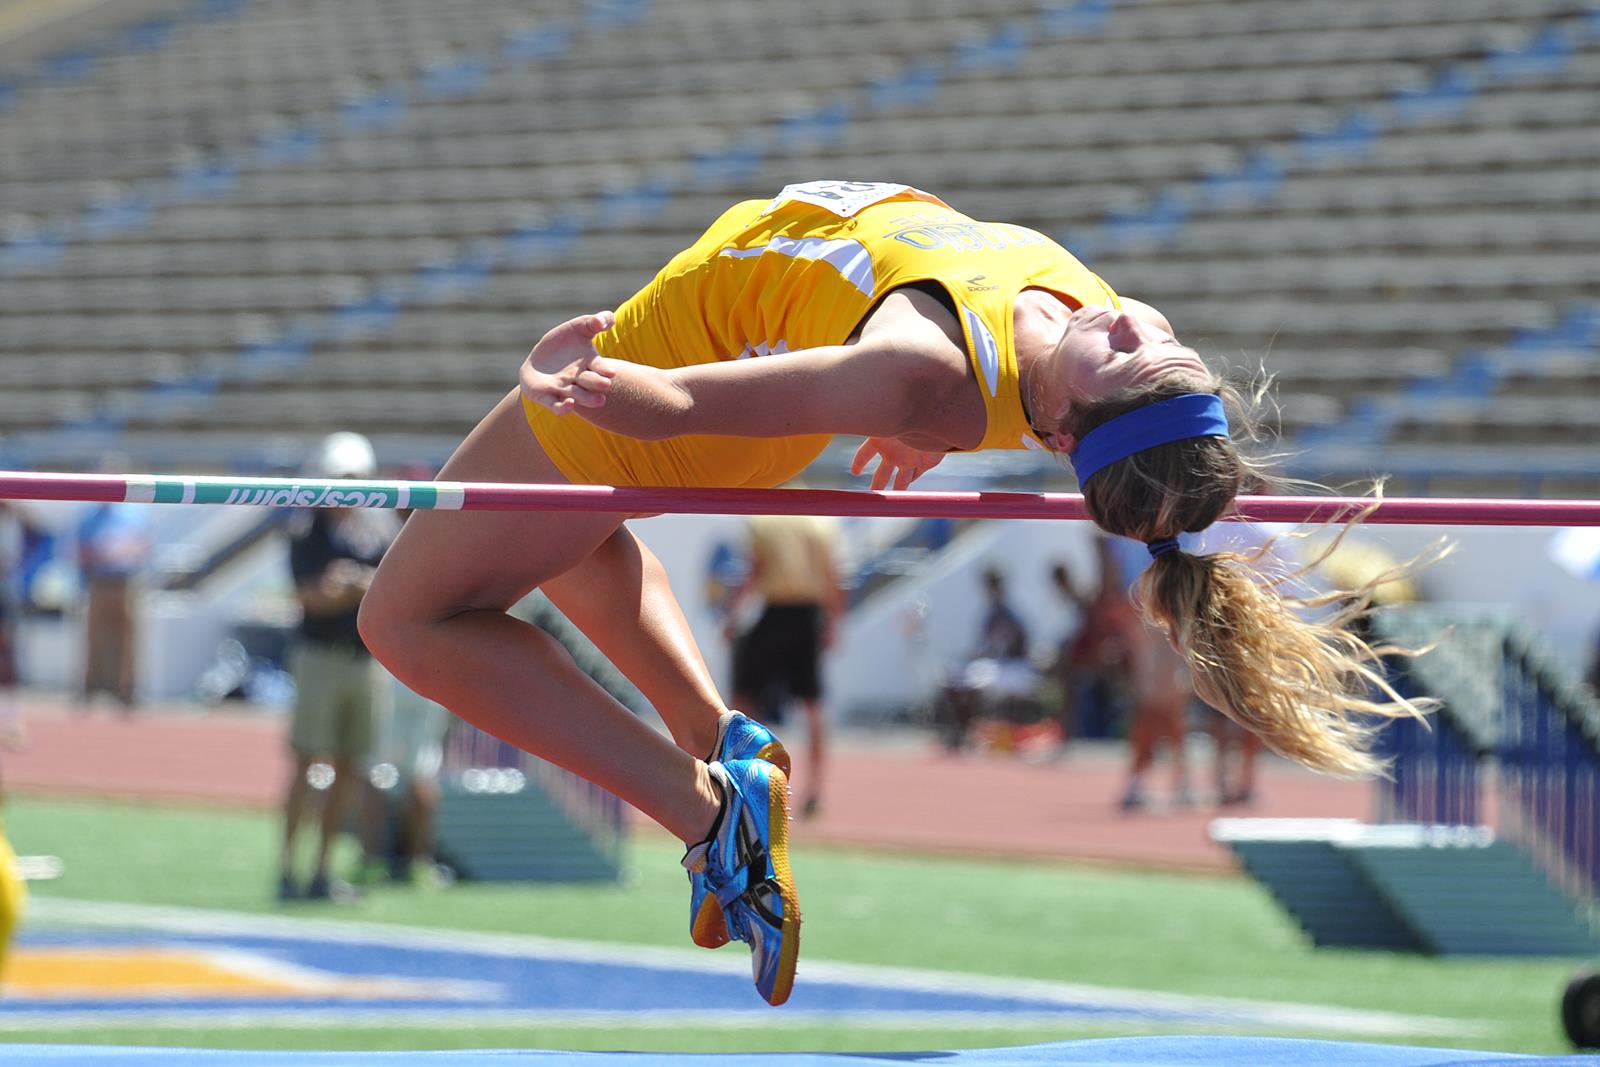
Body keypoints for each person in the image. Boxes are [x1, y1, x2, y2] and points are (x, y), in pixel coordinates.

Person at [358, 180, 1430, 1007]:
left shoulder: (922, 374)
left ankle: (705, 812)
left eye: (1130, 363)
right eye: (1166, 344)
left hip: (689, 360)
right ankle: (721, 739)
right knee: (568, 541)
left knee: (407, 620)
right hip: (761, 344)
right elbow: (977, 377)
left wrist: (587, 386)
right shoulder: (1042, 352)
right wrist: (925, 425)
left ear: (1066, 432)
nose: (1134, 329)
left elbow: (682, 404)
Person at [278, 432, 401, 902]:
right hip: (320, 657)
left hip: (364, 660)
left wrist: (352, 587)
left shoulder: (379, 528)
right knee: (307, 761)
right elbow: (309, 597)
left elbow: (390, 589)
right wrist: (355, 590)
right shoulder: (305, 528)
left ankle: (323, 870)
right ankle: (288, 867)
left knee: (350, 766)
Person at [723, 508, 843, 818]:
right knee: (813, 705)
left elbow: (756, 569)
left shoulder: (765, 518)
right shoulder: (820, 521)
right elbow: (834, 574)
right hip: (808, 617)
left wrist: (733, 615)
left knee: (743, 699)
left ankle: (735, 779)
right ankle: (815, 790)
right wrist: (834, 622)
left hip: (776, 613)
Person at [937, 565, 1041, 751]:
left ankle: (965, 732)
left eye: (994, 584)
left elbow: (1015, 647)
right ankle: (961, 730)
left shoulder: (1011, 613)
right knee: (953, 678)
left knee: (976, 683)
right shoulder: (990, 613)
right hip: (998, 666)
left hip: (1015, 668)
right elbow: (986, 649)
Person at [75, 499, 152, 710]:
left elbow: (144, 545)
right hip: (98, 581)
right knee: (94, 636)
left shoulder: (134, 513)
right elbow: (80, 548)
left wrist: (124, 552)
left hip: (126, 581)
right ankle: (90, 688)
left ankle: (126, 690)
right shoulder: (89, 516)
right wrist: (101, 556)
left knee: (128, 638)